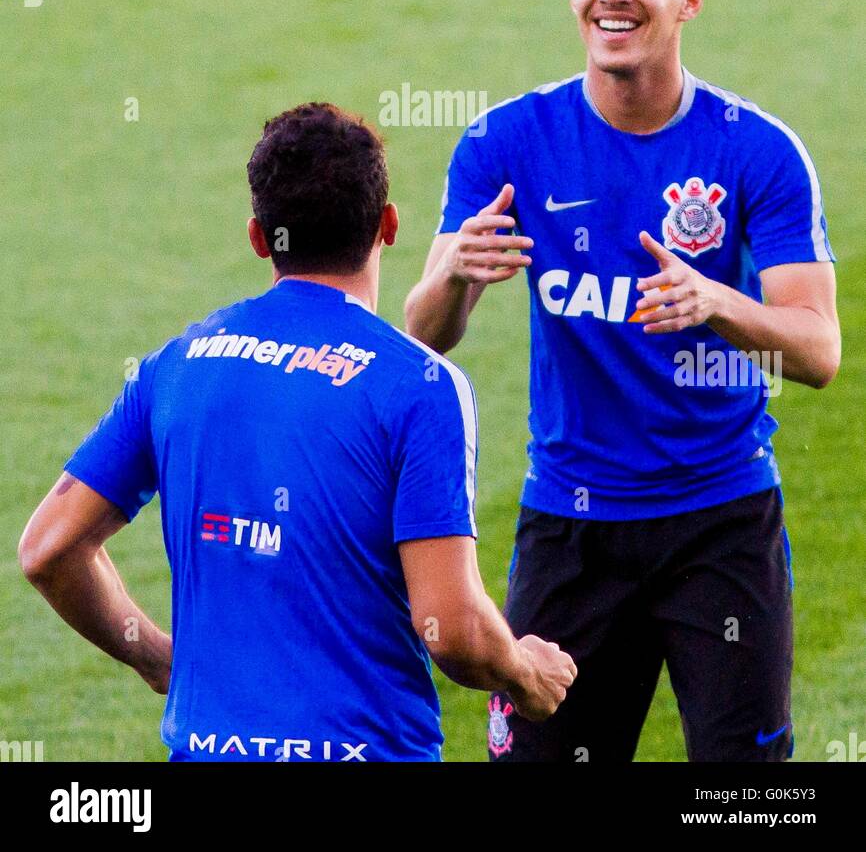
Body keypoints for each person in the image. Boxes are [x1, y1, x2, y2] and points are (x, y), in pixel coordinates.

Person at [405, 0, 840, 763]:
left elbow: (820, 348)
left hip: (720, 523)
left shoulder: (754, 150)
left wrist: (718, 301)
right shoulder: (505, 143)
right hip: (571, 529)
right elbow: (426, 333)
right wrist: (453, 273)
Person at [19, 102, 575, 762]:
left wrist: (156, 657)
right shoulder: (418, 384)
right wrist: (525, 672)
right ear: (387, 226)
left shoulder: (175, 366)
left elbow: (49, 548)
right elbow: (451, 629)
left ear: (258, 237)